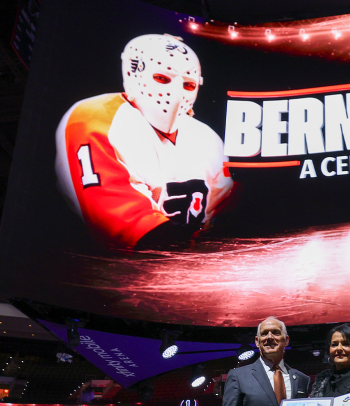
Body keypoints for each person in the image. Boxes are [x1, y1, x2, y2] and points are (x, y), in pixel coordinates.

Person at [55, 33, 234, 252]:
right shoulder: (94, 116)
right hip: (115, 269)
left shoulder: (207, 138)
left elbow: (225, 210)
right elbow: (123, 222)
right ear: (133, 72)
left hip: (187, 266)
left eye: (188, 84)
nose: (176, 93)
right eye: (162, 78)